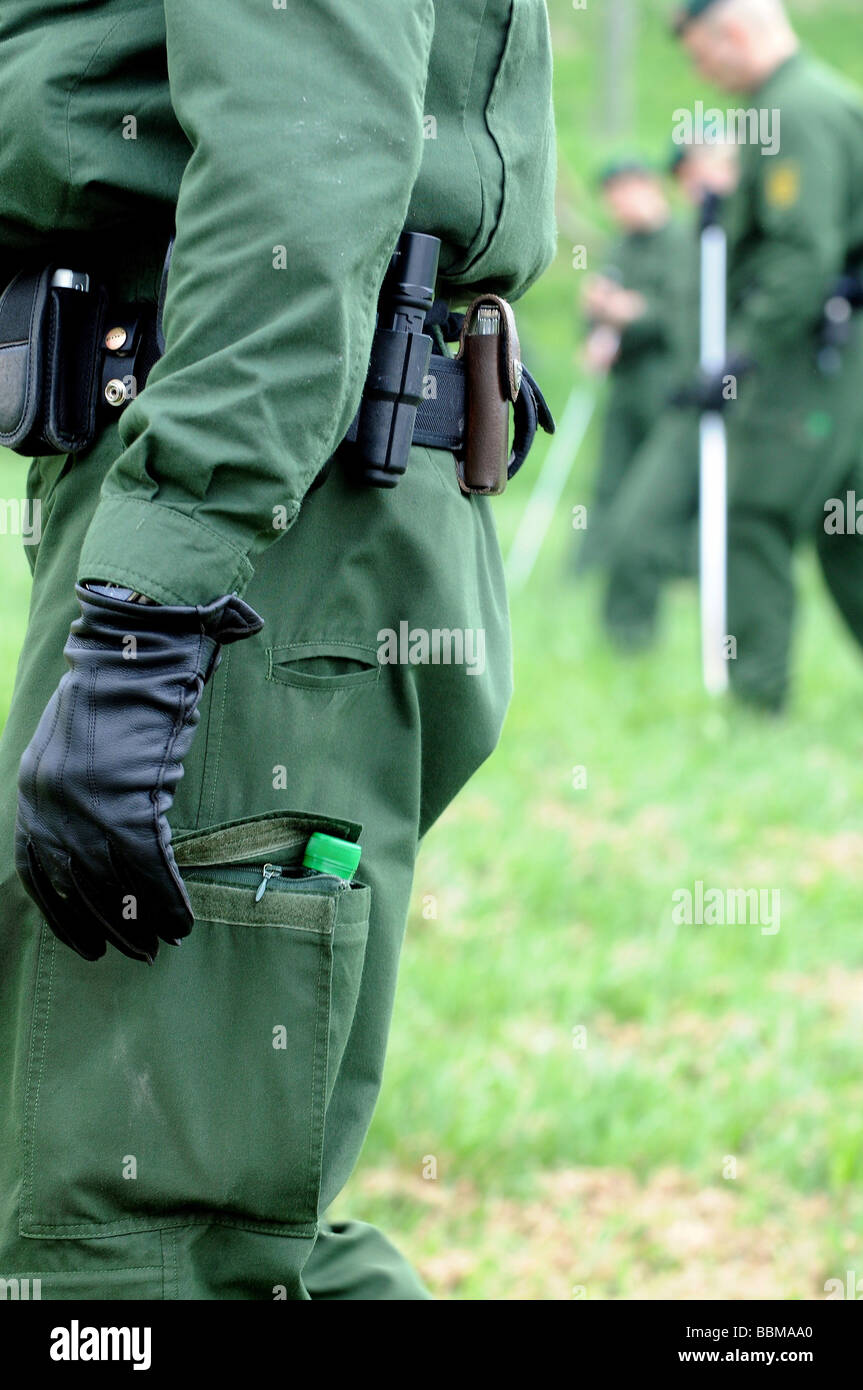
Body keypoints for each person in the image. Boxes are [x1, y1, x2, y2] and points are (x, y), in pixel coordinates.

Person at [0, 0, 556, 1300]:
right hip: (253, 489)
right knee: (185, 1207)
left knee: (130, 1234)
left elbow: (302, 166)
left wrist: (157, 607)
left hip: (260, 513)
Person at [673, 0, 863, 709]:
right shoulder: (817, 98)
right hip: (839, 352)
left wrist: (739, 354)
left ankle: (755, 700)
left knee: (754, 510)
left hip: (811, 354)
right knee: (849, 523)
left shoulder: (794, 110)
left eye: (701, 53)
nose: (701, 71)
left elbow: (802, 254)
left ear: (737, 30)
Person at [600, 140, 740, 649]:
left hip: (740, 403)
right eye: (685, 173)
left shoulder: (724, 236)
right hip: (684, 397)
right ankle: (627, 647)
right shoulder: (684, 240)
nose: (696, 183)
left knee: (746, 533)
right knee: (633, 517)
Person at [578, 161, 692, 646]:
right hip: (626, 385)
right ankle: (592, 566)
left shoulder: (683, 244)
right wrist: (596, 325)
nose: (617, 205)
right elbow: (604, 312)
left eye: (623, 192)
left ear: (647, 188)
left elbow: (681, 316)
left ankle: (679, 572)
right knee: (612, 483)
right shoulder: (620, 247)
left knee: (658, 492)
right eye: (609, 196)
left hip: (667, 385)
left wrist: (634, 313)